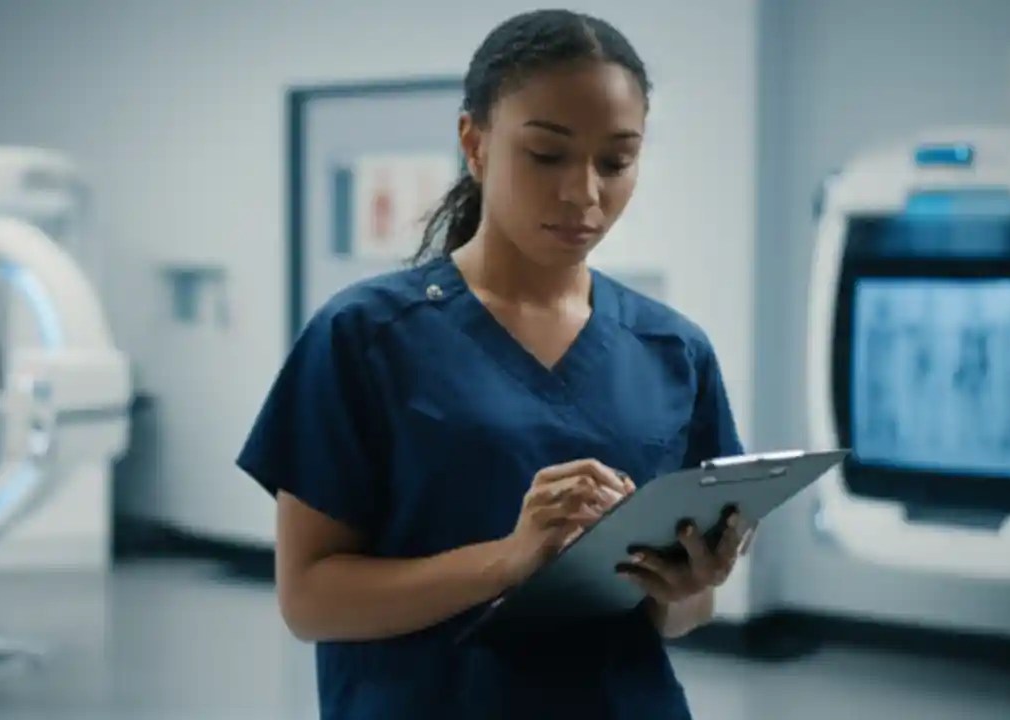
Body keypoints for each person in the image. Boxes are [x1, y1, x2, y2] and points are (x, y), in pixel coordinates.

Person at [237, 9, 750, 719]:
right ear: (474, 143)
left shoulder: (672, 350)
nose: (585, 194)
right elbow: (309, 600)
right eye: (547, 155)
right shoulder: (365, 336)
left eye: (616, 160)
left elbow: (683, 617)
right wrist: (508, 560)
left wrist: (688, 584)